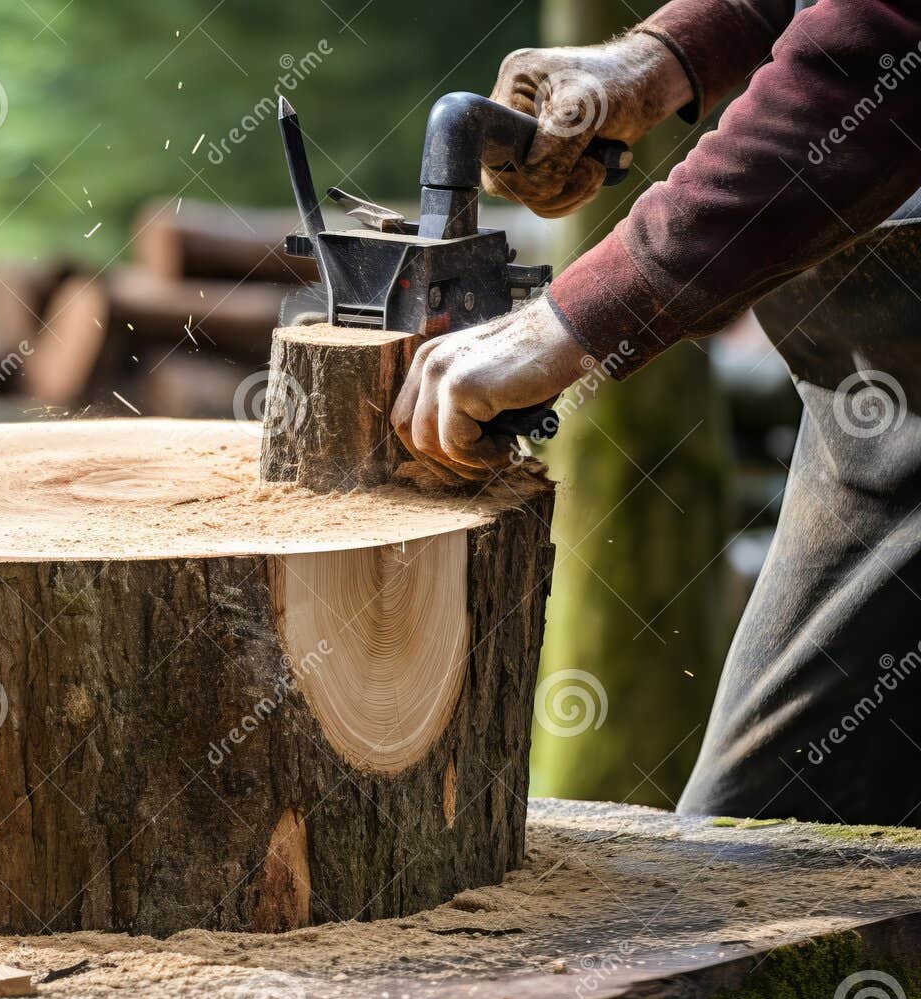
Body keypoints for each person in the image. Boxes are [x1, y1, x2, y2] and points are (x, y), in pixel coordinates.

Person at [390, 0, 921, 825]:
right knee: (762, 841)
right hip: (882, 429)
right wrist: (662, 58)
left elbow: (879, 53)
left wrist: (574, 320)